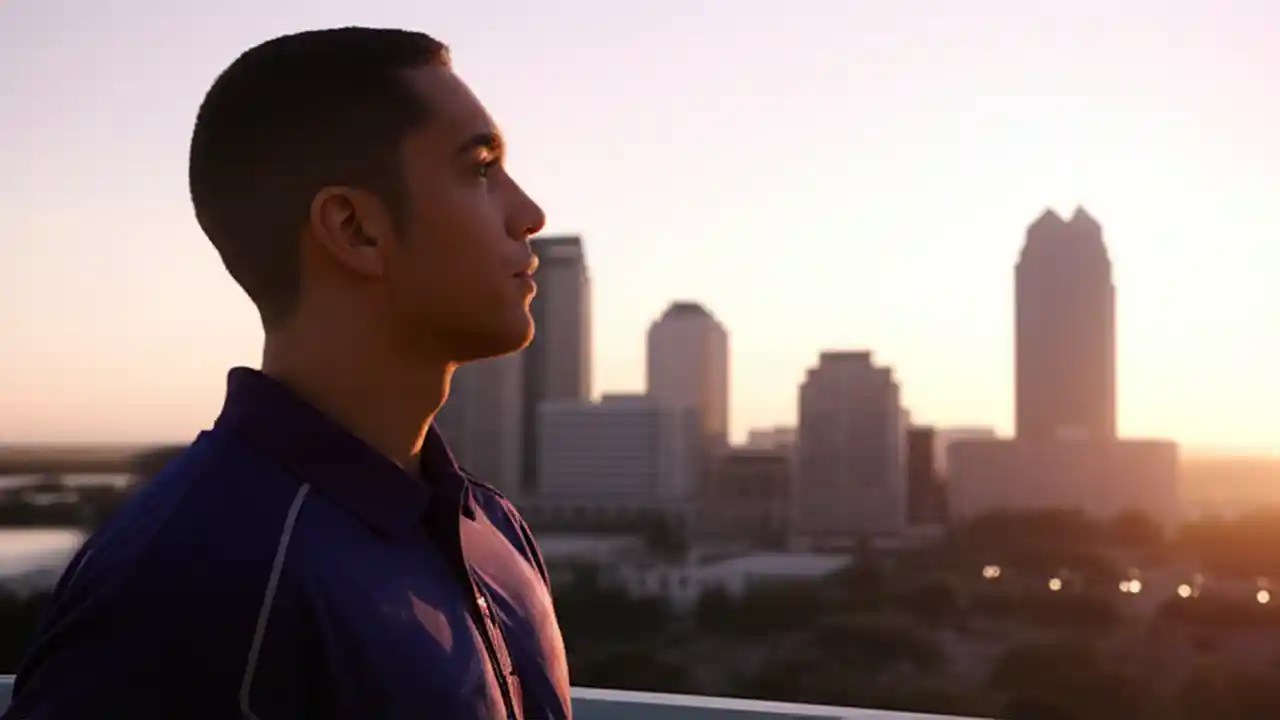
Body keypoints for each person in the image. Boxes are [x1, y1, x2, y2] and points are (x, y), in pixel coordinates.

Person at [3, 27, 569, 719]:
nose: (531, 215)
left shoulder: (494, 528)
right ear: (355, 228)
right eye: (481, 168)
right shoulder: (188, 580)